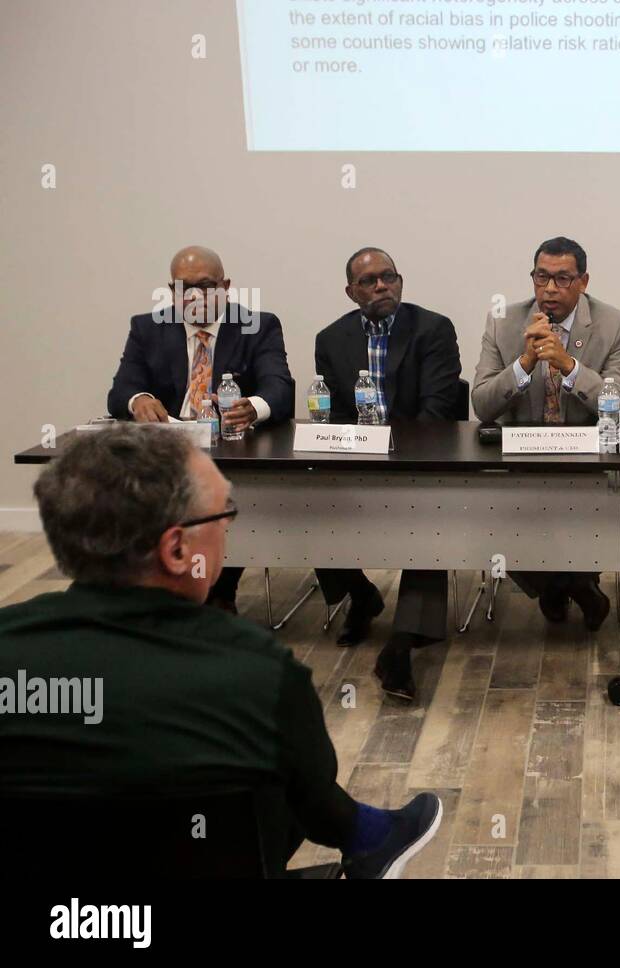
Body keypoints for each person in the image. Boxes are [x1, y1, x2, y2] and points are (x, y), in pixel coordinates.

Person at [0, 426, 442, 878]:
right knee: (280, 774)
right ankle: (372, 837)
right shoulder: (261, 674)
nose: (229, 532)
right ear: (177, 550)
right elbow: (313, 802)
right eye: (225, 515)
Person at [107, 245, 293, 614]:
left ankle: (219, 593)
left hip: (234, 451)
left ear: (225, 286)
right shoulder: (148, 328)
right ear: (172, 291)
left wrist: (254, 407)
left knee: (219, 495)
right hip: (171, 452)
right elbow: (121, 391)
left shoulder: (257, 325)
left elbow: (280, 387)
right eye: (184, 287)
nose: (195, 296)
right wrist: (139, 399)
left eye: (206, 286)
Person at [314, 247, 462, 701]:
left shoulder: (432, 329)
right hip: (359, 459)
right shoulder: (331, 339)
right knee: (307, 497)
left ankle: (402, 645)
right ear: (351, 292)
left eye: (389, 277)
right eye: (369, 281)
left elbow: (438, 410)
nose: (382, 286)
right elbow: (337, 415)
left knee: (429, 514)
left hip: (422, 462)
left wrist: (395, 456)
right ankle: (361, 594)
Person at [471, 237, 620, 630]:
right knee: (491, 507)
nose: (549, 289)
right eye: (541, 277)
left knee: (579, 504)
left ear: (583, 282)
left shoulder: (613, 323)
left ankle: (558, 585)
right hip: (520, 457)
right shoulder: (504, 321)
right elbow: (482, 405)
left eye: (562, 279)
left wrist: (569, 365)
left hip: (585, 457)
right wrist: (524, 364)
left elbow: (617, 402)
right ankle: (571, 586)